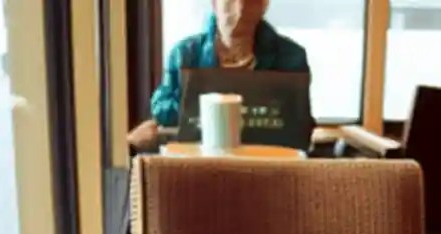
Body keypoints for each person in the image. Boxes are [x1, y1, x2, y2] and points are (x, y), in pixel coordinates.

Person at [127, 0, 310, 150]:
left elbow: (300, 123)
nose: (240, 9)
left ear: (264, 5)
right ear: (214, 4)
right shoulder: (185, 55)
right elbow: (162, 109)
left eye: (250, 1)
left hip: (270, 163)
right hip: (199, 161)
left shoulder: (291, 56)